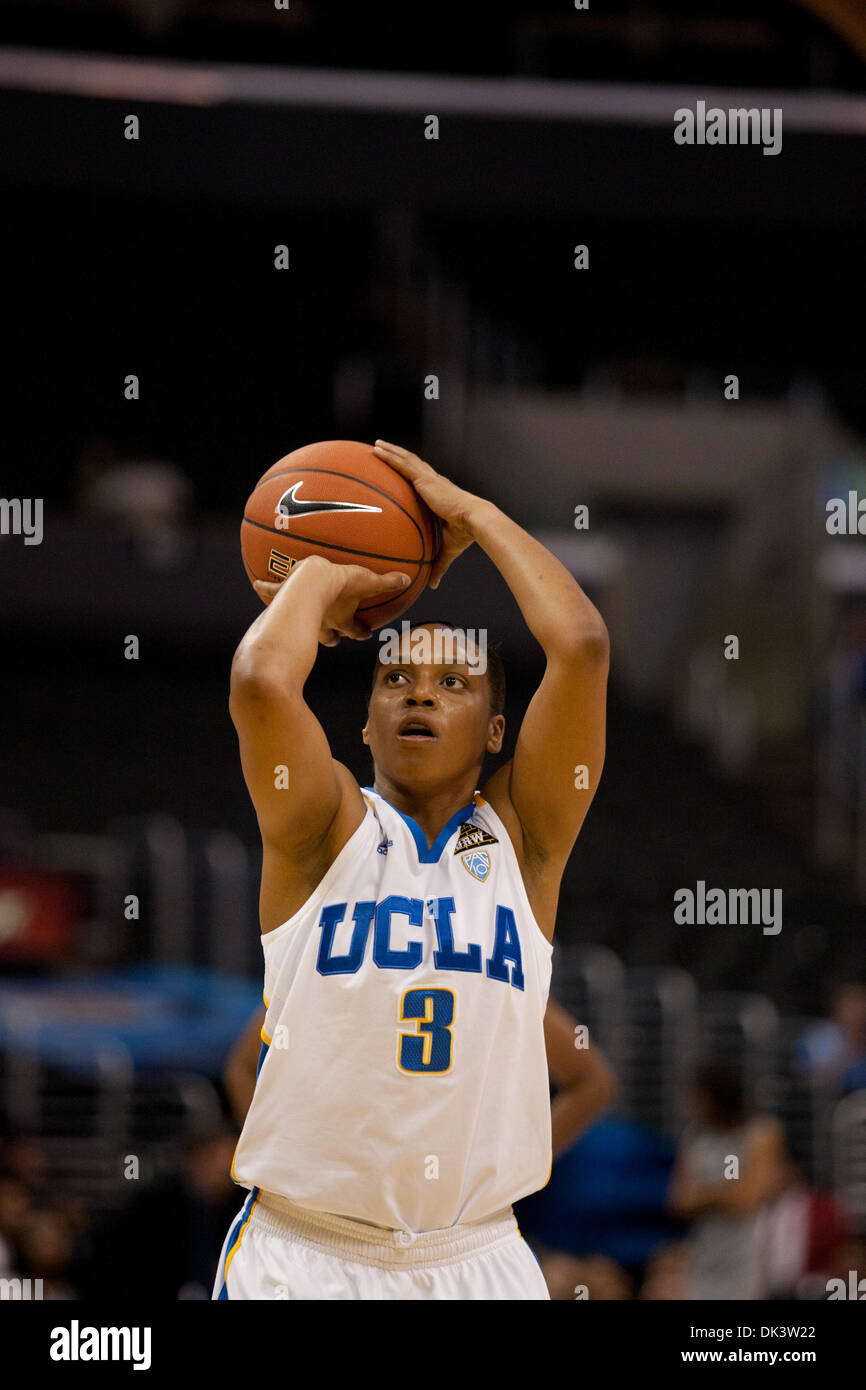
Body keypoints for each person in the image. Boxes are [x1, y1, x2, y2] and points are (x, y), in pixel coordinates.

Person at [213, 438, 609, 1300]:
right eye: (395, 677)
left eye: (453, 682)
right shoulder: (320, 829)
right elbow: (258, 682)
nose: (420, 693)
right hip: (305, 1254)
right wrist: (323, 578)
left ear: (499, 732)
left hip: (478, 1260)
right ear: (362, 725)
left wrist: (477, 518)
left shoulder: (527, 843)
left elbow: (579, 644)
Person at [667, 1062, 787, 1300]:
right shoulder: (694, 1137)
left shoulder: (760, 1133)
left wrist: (705, 1195)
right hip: (706, 1246)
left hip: (748, 1247)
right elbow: (679, 1201)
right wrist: (725, 1193)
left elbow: (747, 1199)